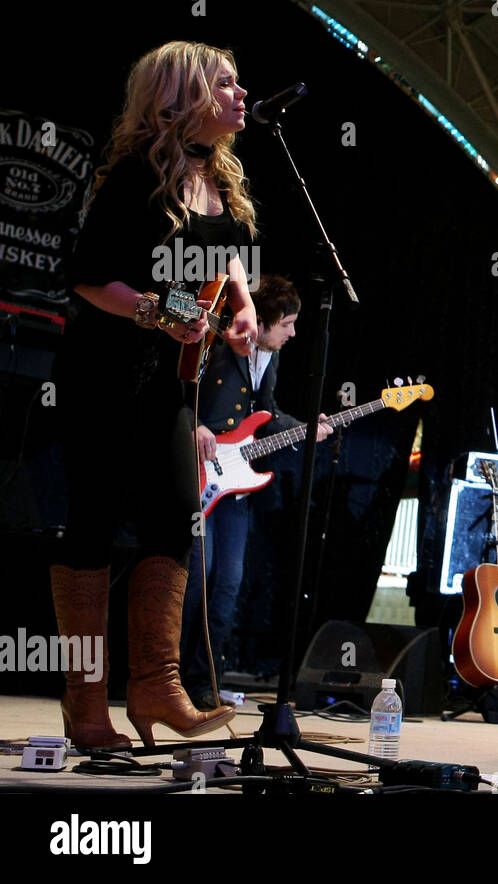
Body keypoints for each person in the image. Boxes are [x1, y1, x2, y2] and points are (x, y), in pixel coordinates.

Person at [49, 41, 260, 747]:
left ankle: (157, 687)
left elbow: (223, 251)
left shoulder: (217, 178)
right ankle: (85, 702)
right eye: (225, 84)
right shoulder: (136, 175)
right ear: (184, 94)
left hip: (174, 381)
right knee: (92, 525)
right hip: (105, 372)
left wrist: (241, 305)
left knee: (174, 520)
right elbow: (87, 276)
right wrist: (155, 312)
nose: (240, 95)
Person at [179, 275, 331, 710]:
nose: (293, 333)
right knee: (196, 580)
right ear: (260, 322)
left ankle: (204, 681)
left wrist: (306, 428)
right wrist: (196, 425)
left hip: (235, 486)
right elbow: (178, 389)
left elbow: (266, 414)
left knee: (228, 584)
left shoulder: (271, 358)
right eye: (287, 324)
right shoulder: (217, 342)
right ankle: (167, 677)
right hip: (200, 473)